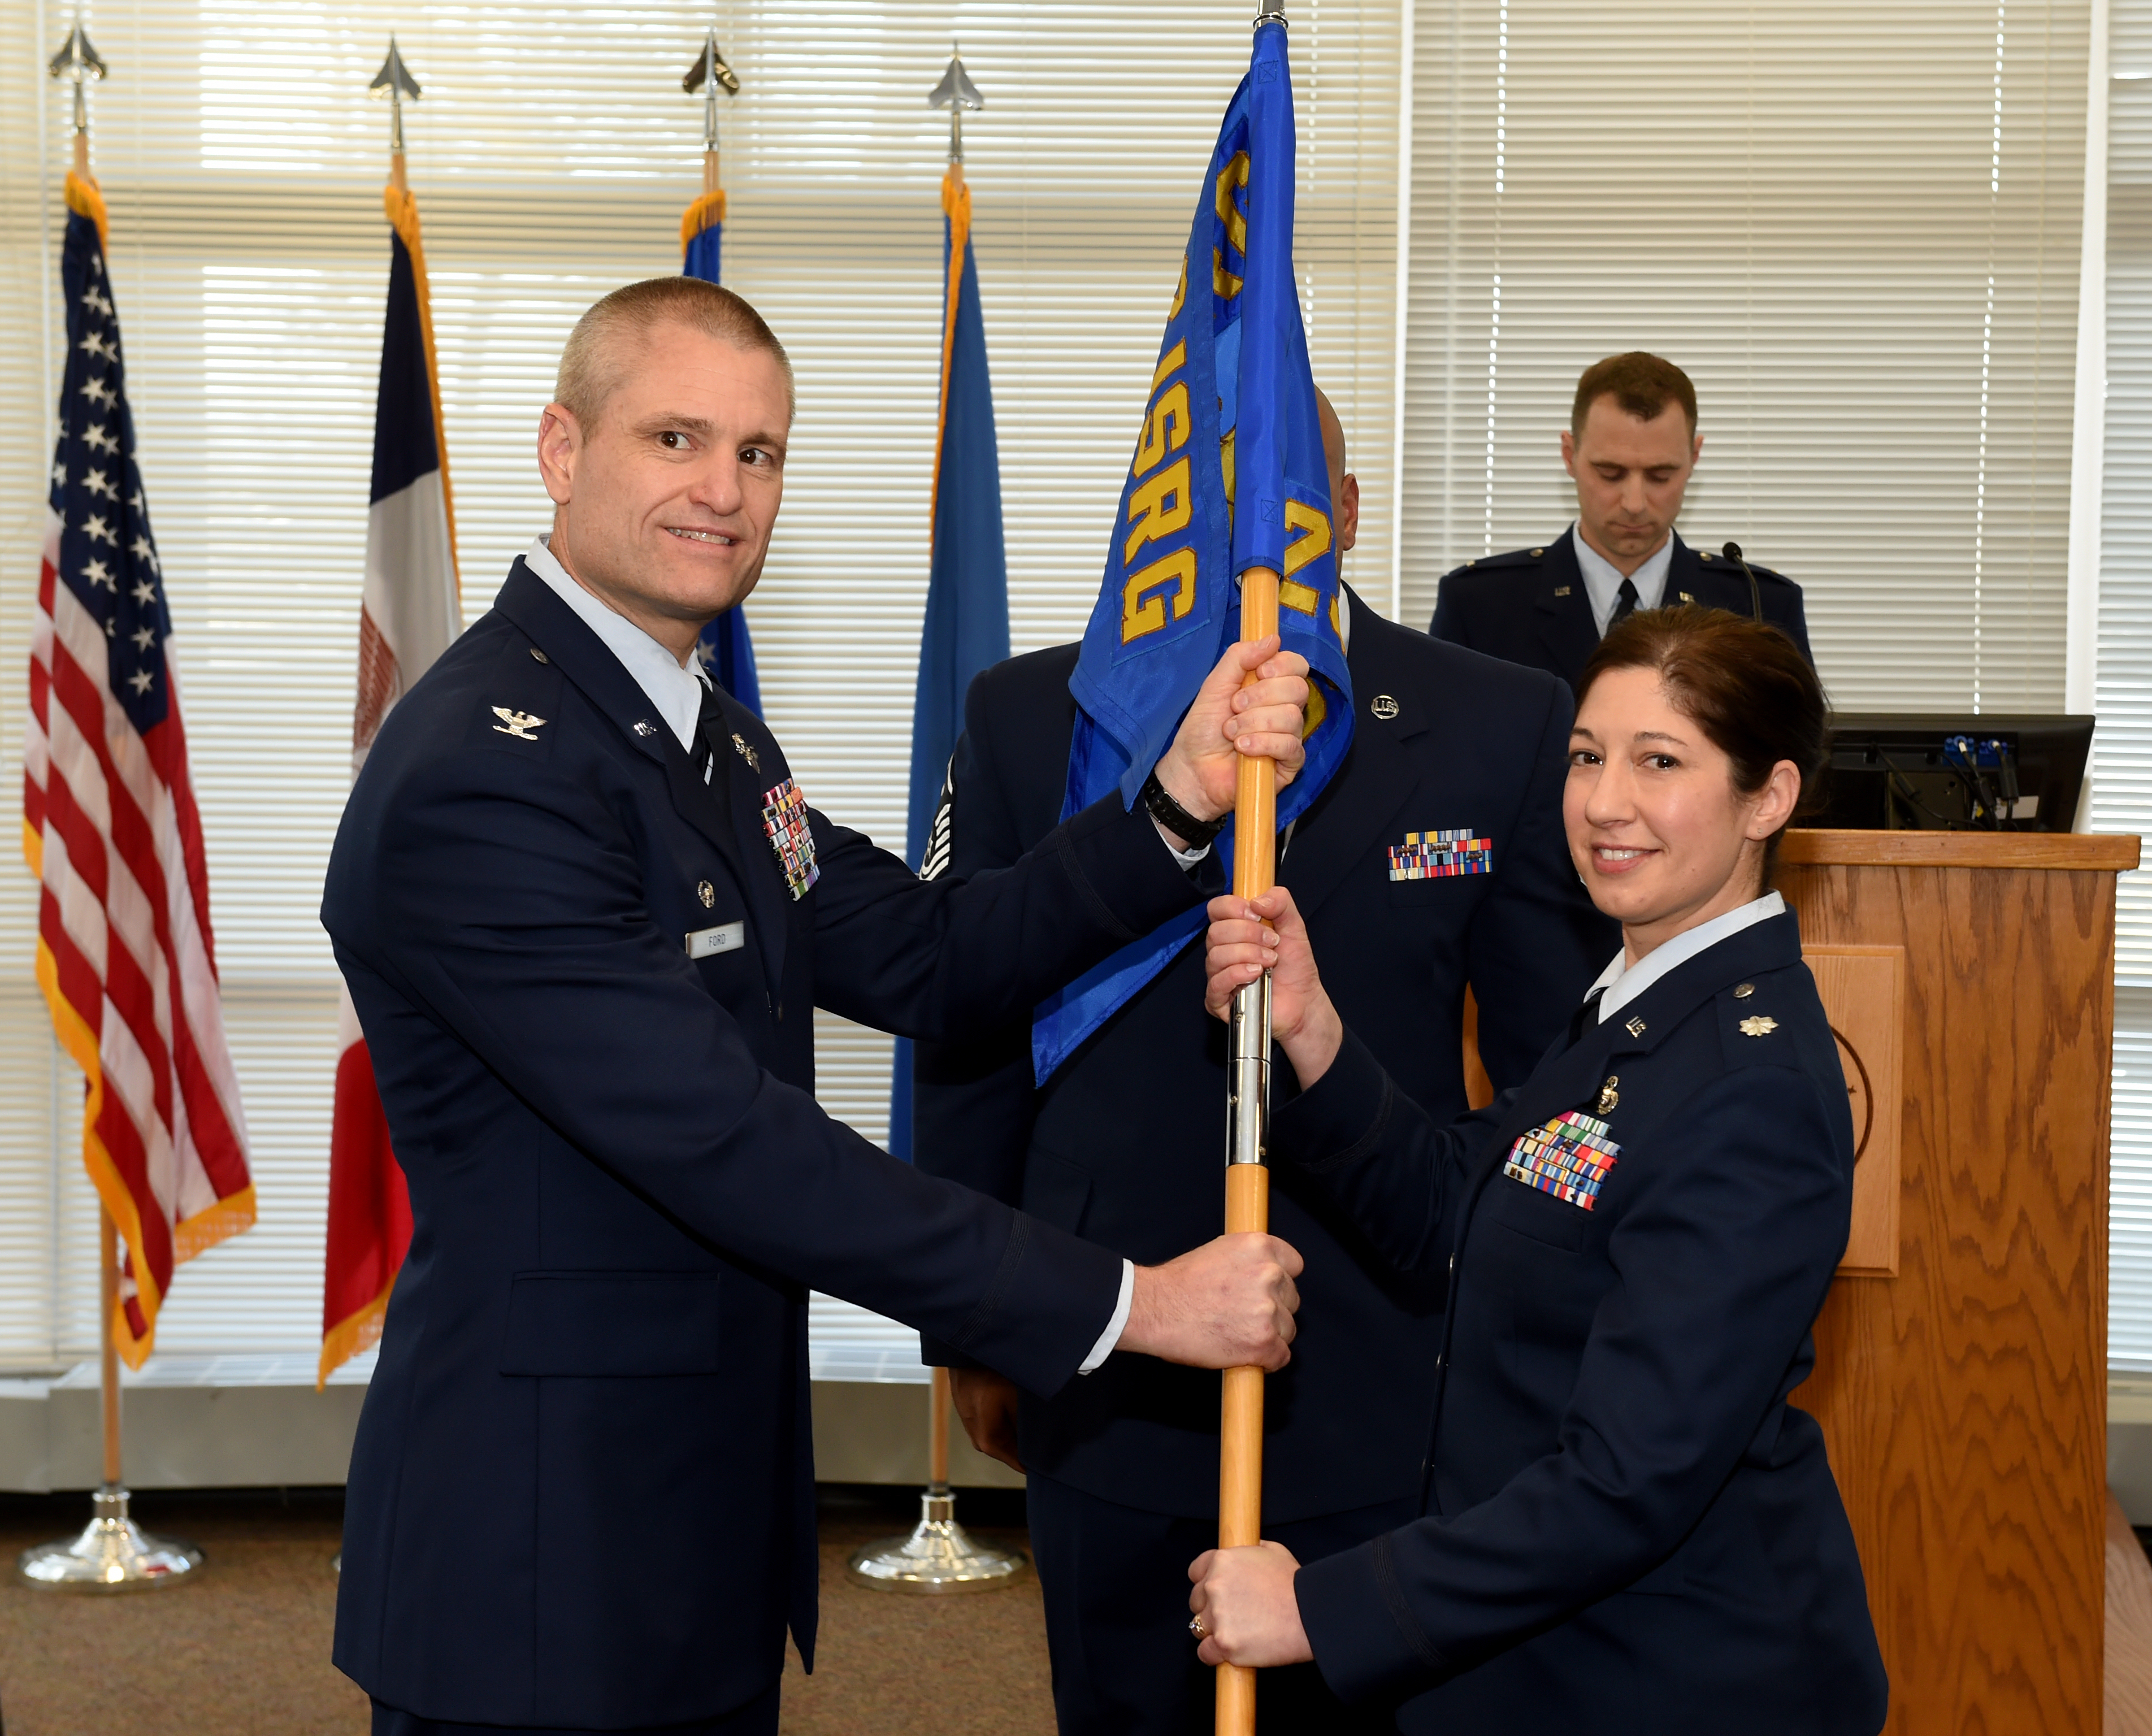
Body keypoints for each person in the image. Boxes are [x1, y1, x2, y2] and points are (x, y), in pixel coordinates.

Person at [322, 276, 1315, 1736]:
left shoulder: (705, 733)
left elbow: (929, 952)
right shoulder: (489, 764)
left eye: (760, 453)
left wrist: (1174, 805)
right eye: (675, 439)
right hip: (542, 1561)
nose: (723, 491)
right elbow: (739, 1148)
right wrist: (1131, 1304)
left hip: (697, 1529)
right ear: (560, 449)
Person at [910, 392, 1612, 1733]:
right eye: (1222, 501)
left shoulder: (1497, 720)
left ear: (1348, 511)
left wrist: (1526, 1323)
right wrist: (983, 1321)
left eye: (1294, 500)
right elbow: (968, 1029)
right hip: (1115, 1358)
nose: (1259, 540)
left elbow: (1546, 1072)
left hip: (1387, 1366)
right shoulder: (1030, 720)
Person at [1190, 606, 1889, 1734]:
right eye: (1584, 756)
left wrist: (1322, 1609)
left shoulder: (1744, 1084)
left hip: (1671, 1683)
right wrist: (1314, 1032)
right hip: (1550, 1662)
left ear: (1766, 797)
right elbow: (1459, 1214)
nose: (1604, 802)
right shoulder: (1637, 1008)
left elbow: (1624, 1482)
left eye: (1659, 762)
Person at [1429, 353, 1812, 690]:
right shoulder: (1480, 606)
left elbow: (1797, 762)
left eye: (1661, 475)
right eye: (1610, 473)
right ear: (1569, 454)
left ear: (1694, 457)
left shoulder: (1760, 606)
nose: (1634, 503)